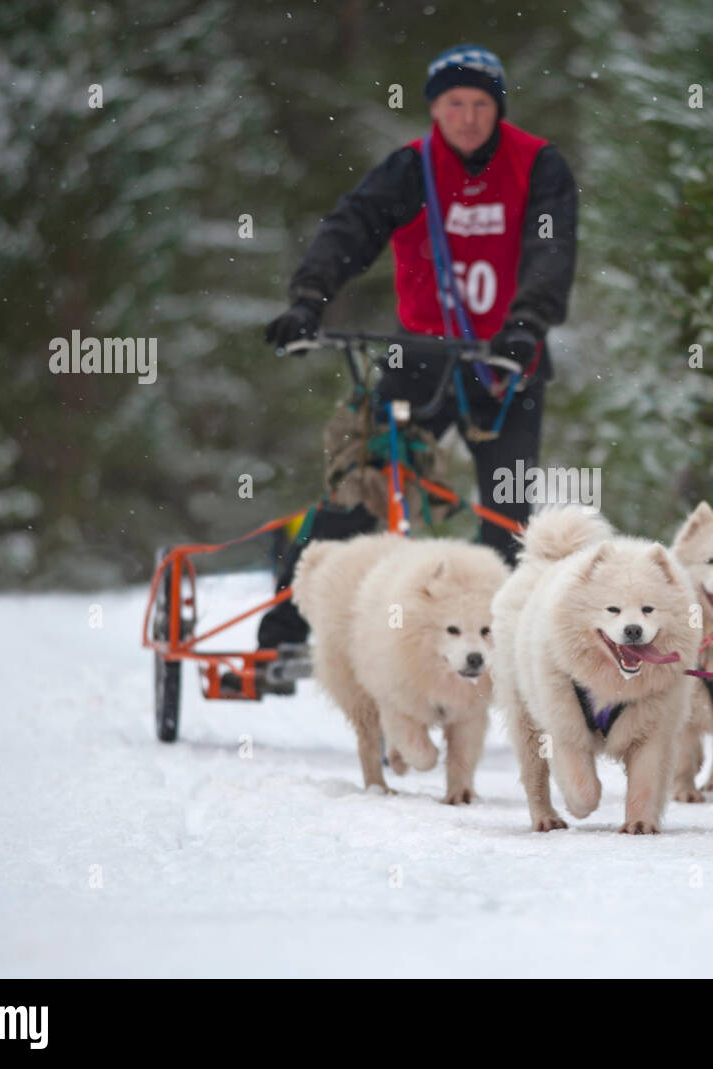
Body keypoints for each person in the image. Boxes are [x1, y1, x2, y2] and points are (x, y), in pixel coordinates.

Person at [258, 43, 578, 649]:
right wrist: (308, 300)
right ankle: (286, 623)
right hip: (421, 359)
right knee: (360, 487)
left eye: (481, 103)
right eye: (454, 103)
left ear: (498, 108)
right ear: (434, 108)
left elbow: (551, 249)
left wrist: (526, 322)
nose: (467, 117)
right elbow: (350, 229)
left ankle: (503, 649)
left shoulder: (538, 166)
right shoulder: (412, 169)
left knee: (506, 517)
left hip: (509, 362)